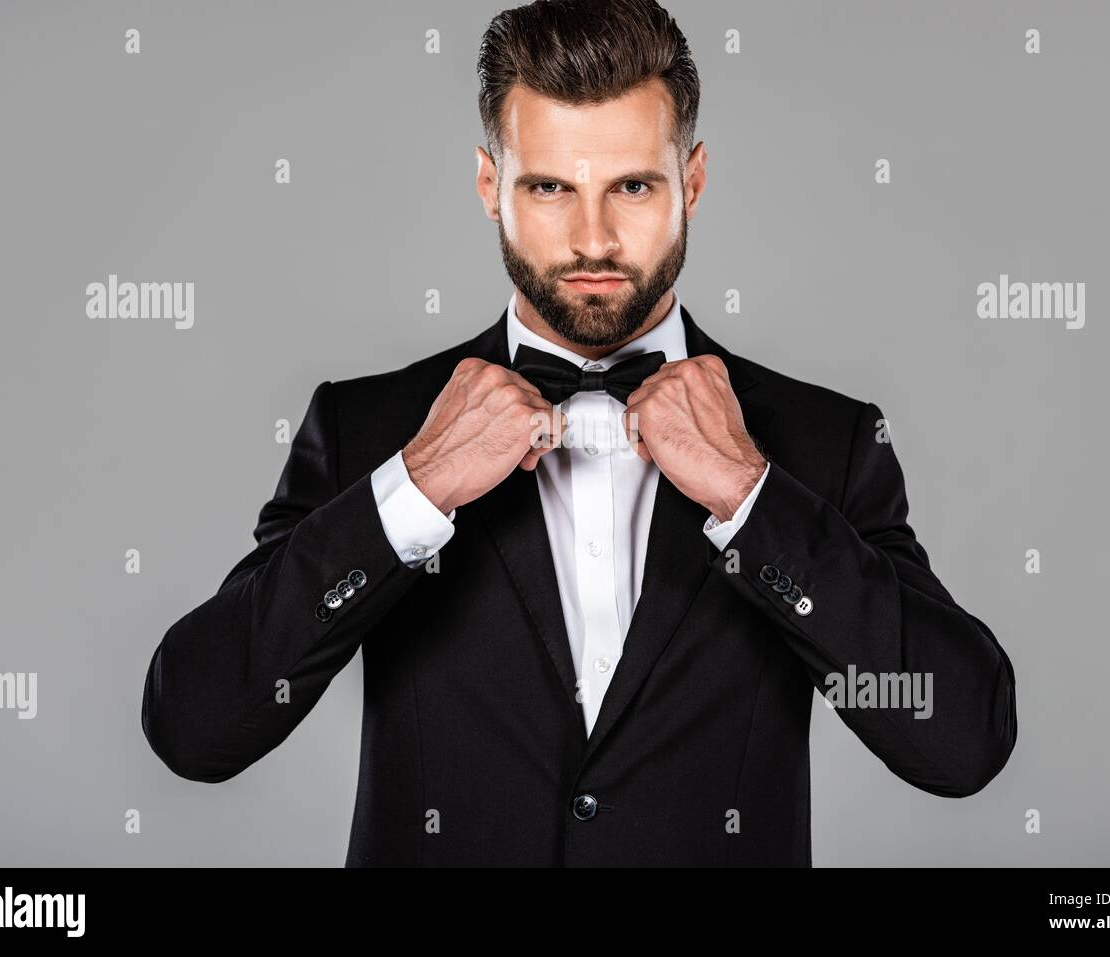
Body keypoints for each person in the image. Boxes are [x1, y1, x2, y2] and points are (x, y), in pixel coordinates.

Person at [141, 0, 1017, 867]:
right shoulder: (367, 427)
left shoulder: (825, 440)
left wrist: (753, 496)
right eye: (550, 186)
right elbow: (196, 724)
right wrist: (414, 487)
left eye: (633, 186)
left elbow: (960, 740)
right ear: (490, 185)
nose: (593, 238)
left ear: (694, 182)